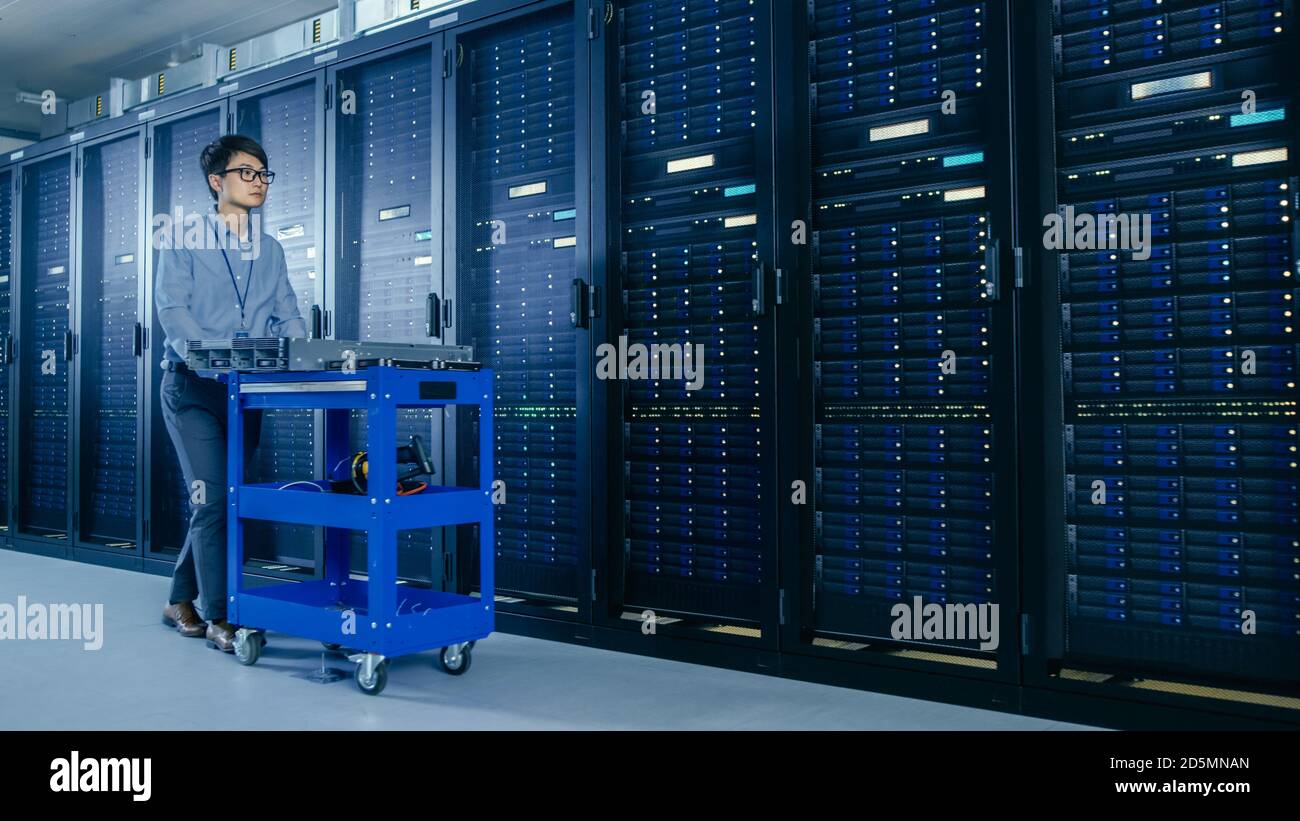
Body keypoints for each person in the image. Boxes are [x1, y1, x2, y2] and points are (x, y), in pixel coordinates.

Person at [155, 134, 307, 651]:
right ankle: (223, 616)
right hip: (192, 387)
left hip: (245, 393)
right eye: (248, 172)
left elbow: (287, 313)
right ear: (217, 182)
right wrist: (208, 357)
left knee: (220, 500)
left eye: (264, 173)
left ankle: (179, 598)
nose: (259, 181)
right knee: (215, 496)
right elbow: (172, 310)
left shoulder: (272, 249)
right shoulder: (181, 239)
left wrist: (307, 356)